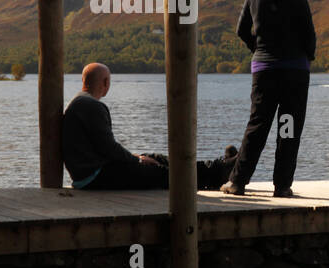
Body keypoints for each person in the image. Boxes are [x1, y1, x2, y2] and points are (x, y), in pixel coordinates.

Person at [222, 0, 317, 198]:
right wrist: (305, 58)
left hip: (264, 71)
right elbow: (309, 37)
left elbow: (241, 30)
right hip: (294, 74)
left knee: (257, 126)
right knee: (288, 128)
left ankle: (237, 182)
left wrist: (258, 49)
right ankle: (282, 186)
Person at [62, 62, 236, 190]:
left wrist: (137, 156)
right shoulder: (91, 106)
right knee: (158, 171)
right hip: (96, 177)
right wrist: (137, 160)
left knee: (156, 158)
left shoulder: (80, 102)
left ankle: (215, 169)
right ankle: (217, 171)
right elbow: (108, 148)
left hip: (94, 171)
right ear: (105, 82)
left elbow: (104, 148)